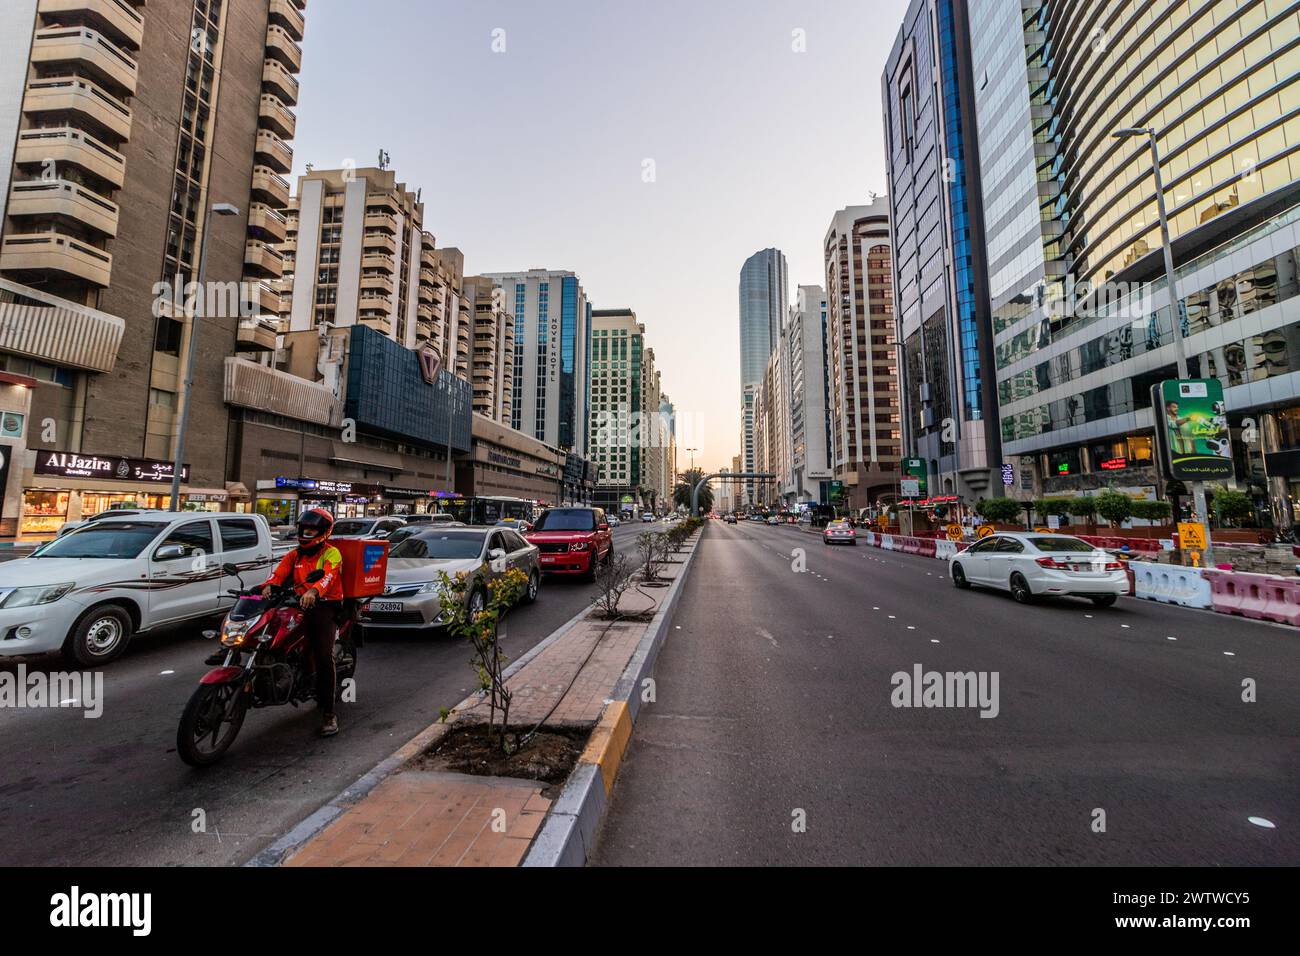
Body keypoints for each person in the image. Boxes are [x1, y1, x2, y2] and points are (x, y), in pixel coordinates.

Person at [263, 508, 345, 737]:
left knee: (323, 656)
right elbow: (278, 573)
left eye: (312, 529)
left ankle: (329, 715)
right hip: (298, 603)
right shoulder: (295, 555)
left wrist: (314, 591)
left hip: (324, 605)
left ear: (323, 532)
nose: (307, 532)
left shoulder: (332, 553)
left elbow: (328, 577)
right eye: (304, 528)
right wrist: (269, 585)